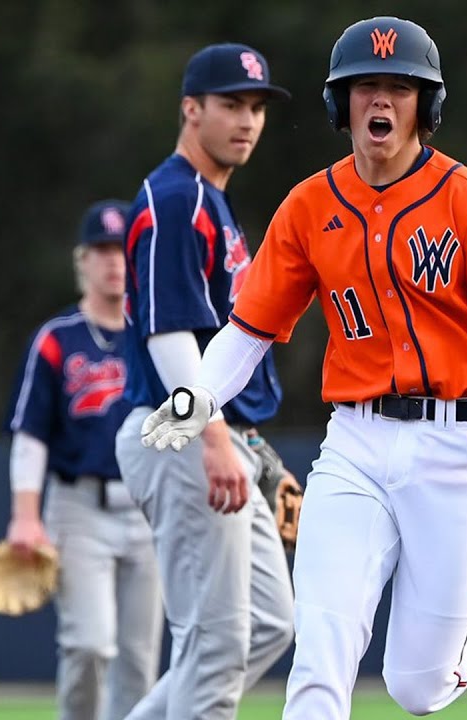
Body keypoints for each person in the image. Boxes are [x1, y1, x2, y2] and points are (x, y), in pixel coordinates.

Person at [139, 16, 467, 719]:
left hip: (461, 444)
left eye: (400, 87)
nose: (381, 100)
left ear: (426, 105)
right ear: (338, 103)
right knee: (321, 645)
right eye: (364, 86)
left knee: (416, 687)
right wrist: (199, 395)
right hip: (357, 442)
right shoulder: (310, 205)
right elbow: (250, 329)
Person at [113, 42, 295, 720]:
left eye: (257, 107)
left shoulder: (210, 201)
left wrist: (246, 446)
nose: (247, 120)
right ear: (191, 109)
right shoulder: (175, 199)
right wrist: (214, 439)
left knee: (270, 624)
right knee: (215, 644)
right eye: (231, 104)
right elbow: (168, 334)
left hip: (218, 433)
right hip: (181, 431)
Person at [3, 200, 165, 720]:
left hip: (147, 509)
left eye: (122, 249)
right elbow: (30, 434)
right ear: (83, 261)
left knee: (138, 663)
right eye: (102, 250)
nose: (114, 261)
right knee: (90, 645)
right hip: (79, 508)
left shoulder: (157, 335)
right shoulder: (57, 339)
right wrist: (25, 517)